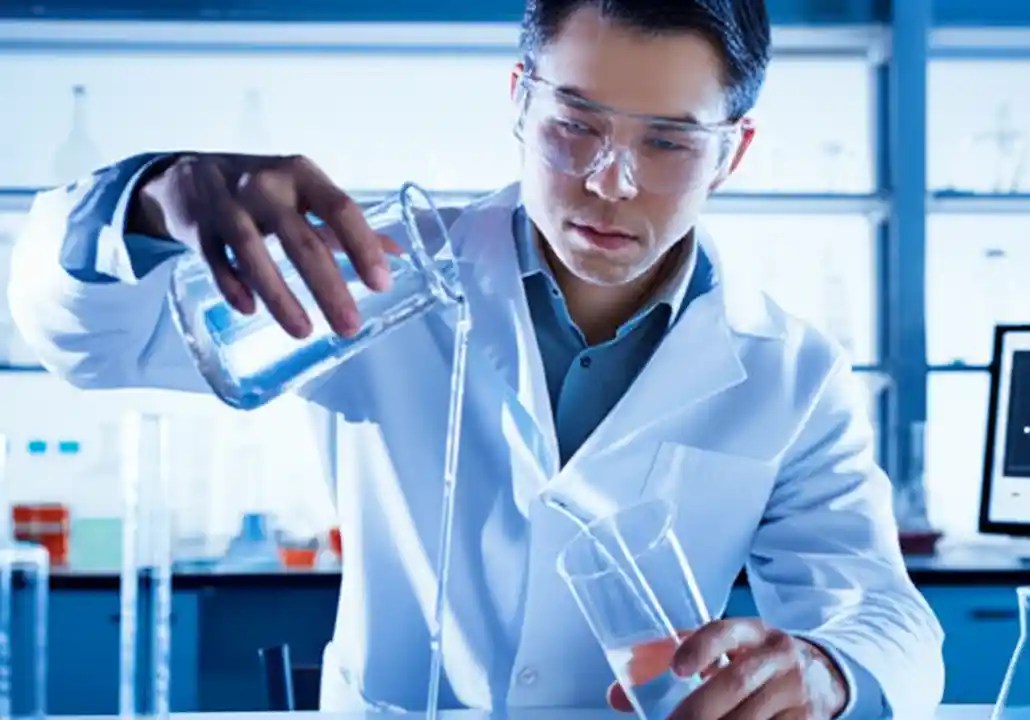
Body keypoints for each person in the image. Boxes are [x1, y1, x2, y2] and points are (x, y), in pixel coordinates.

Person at [7, 1, 944, 718]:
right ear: (519, 101)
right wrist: (143, 197)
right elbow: (85, 341)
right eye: (575, 125)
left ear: (732, 155)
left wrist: (825, 670)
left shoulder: (791, 371)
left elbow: (884, 615)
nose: (609, 183)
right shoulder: (376, 276)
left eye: (667, 143)